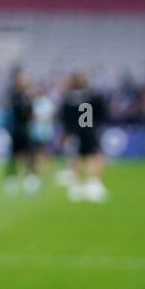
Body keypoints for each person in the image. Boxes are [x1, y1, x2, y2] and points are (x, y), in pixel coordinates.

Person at [60, 72, 108, 202]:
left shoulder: (69, 98)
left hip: (75, 132)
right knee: (92, 156)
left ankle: (75, 186)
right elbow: (102, 112)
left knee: (74, 157)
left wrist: (67, 133)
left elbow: (64, 117)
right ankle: (93, 183)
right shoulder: (93, 96)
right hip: (89, 130)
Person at [4, 70, 39, 194]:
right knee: (14, 155)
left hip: (25, 129)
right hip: (16, 130)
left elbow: (30, 112)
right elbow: (20, 111)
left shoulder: (27, 95)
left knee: (30, 154)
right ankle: (11, 178)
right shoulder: (15, 95)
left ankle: (30, 178)